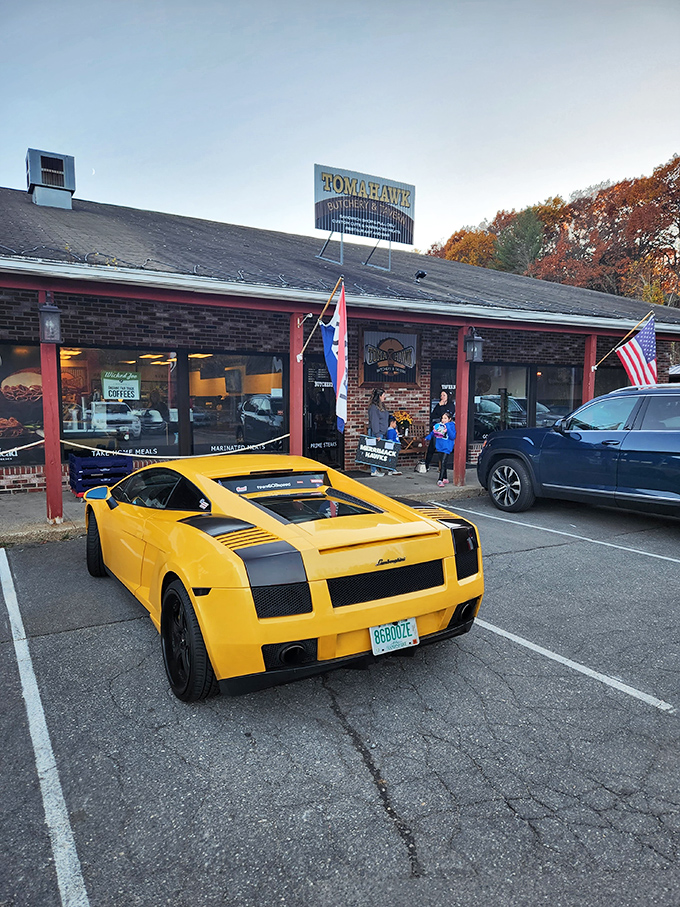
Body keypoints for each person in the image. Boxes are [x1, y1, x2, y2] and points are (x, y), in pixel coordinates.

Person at [424, 410, 456, 486]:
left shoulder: (451, 426)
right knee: (442, 461)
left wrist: (447, 427)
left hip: (447, 447)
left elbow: (452, 436)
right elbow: (433, 433)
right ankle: (445, 477)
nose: (443, 420)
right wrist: (428, 437)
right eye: (442, 418)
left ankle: (440, 479)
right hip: (440, 446)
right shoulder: (439, 425)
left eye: (445, 418)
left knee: (443, 462)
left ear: (449, 419)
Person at [425, 390, 451, 471]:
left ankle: (442, 467)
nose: (442, 397)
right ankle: (426, 465)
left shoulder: (450, 405)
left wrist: (442, 406)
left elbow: (445, 416)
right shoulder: (438, 405)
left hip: (445, 430)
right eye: (441, 395)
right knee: (432, 447)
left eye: (444, 395)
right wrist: (439, 406)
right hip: (437, 428)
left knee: (442, 449)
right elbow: (433, 415)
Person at [367, 388, 389, 476]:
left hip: (381, 432)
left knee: (378, 451)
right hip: (376, 432)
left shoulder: (382, 406)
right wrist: (377, 434)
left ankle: (376, 469)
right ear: (379, 396)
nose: (385, 397)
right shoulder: (373, 407)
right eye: (383, 395)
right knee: (374, 451)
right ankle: (373, 470)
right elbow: (374, 421)